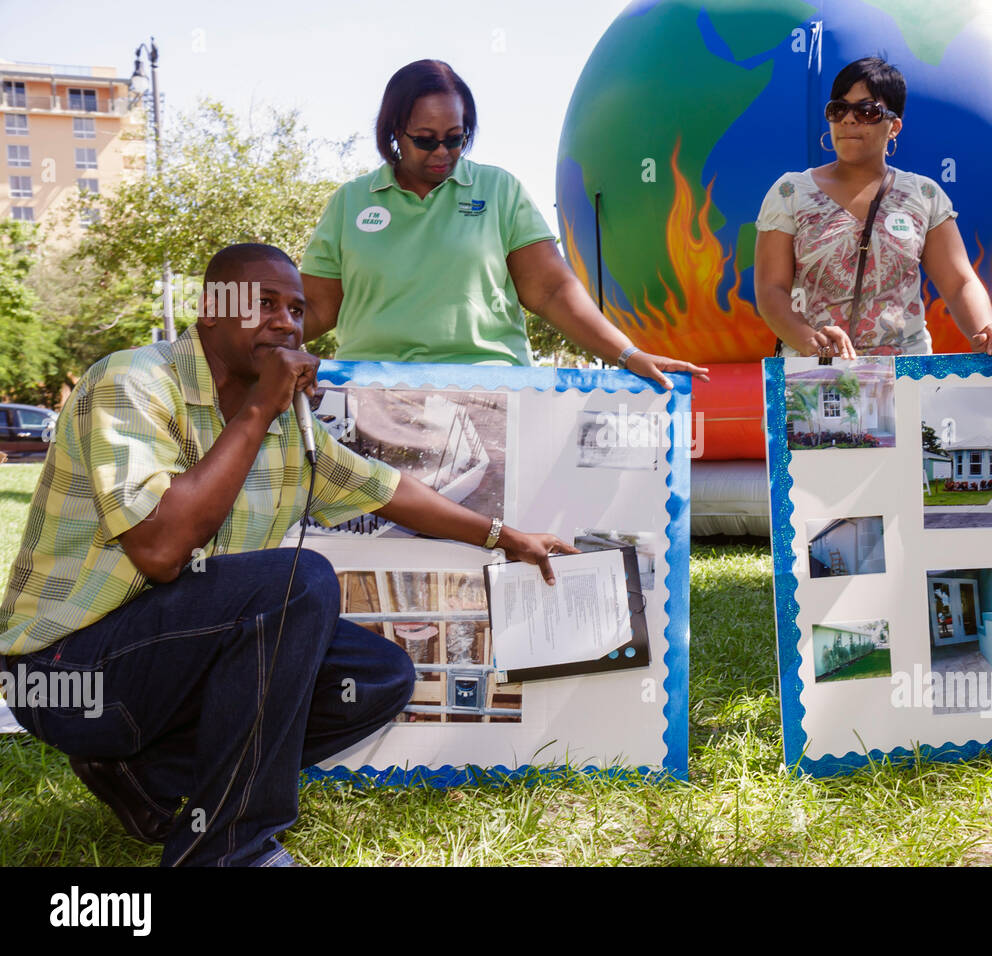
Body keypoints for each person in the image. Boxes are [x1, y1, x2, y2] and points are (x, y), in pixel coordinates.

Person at [0, 243, 576, 867]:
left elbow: (386, 490)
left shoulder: (286, 425)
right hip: (66, 672)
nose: (286, 323)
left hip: (165, 667)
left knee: (377, 678)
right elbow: (161, 549)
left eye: (298, 309)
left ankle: (147, 778)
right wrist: (258, 408)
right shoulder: (132, 381)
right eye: (265, 304)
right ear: (212, 311)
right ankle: (231, 851)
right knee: (295, 582)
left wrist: (503, 535)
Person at [300, 59, 708, 389]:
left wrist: (626, 353)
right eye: (426, 139)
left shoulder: (500, 191)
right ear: (394, 132)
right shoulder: (350, 202)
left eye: (456, 137)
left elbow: (552, 290)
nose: (443, 152)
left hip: (487, 391)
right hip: (370, 392)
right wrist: (241, 346)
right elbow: (314, 308)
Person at [754, 56, 992, 359]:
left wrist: (985, 332)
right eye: (838, 109)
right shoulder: (790, 192)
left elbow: (959, 282)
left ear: (894, 127)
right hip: (814, 376)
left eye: (866, 111)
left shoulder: (924, 195)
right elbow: (771, 289)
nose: (849, 119)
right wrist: (810, 342)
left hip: (905, 379)